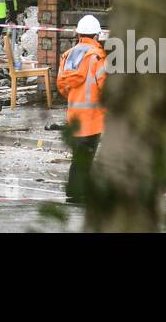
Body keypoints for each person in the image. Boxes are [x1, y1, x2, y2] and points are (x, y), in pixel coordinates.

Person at [56, 14, 107, 204]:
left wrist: (74, 96)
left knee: (78, 156)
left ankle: (75, 191)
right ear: (96, 35)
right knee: (85, 157)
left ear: (78, 34)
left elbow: (62, 86)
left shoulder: (68, 56)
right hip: (92, 117)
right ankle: (77, 193)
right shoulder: (96, 56)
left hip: (74, 115)